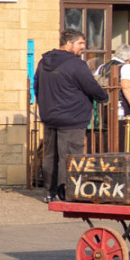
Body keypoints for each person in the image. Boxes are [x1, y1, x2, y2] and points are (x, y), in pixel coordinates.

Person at [35, 30, 107, 202]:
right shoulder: (76, 64)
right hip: (72, 117)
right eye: (80, 43)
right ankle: (66, 193)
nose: (83, 47)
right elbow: (91, 86)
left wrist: (45, 106)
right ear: (68, 44)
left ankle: (49, 193)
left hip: (50, 116)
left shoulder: (43, 62)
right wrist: (104, 97)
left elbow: (36, 87)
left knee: (51, 156)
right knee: (71, 157)